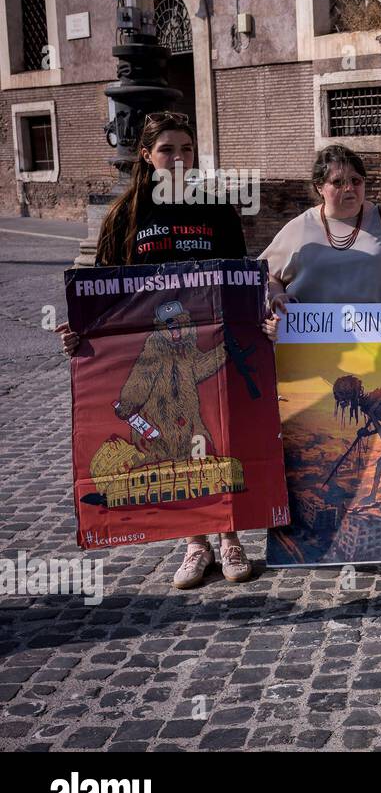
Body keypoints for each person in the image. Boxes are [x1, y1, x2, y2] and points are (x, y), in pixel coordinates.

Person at [55, 111, 256, 589]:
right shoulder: (127, 214)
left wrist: (252, 325)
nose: (179, 159)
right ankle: (194, 545)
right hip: (153, 351)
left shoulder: (216, 208)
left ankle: (230, 539)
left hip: (205, 338)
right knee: (175, 452)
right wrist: (81, 333)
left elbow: (239, 273)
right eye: (168, 150)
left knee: (215, 440)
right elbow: (103, 289)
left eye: (187, 149)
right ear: (146, 156)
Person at [259, 144, 381, 312]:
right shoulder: (299, 227)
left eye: (356, 181)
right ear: (319, 187)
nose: (349, 188)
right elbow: (266, 273)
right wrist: (276, 295)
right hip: (314, 341)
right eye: (338, 182)